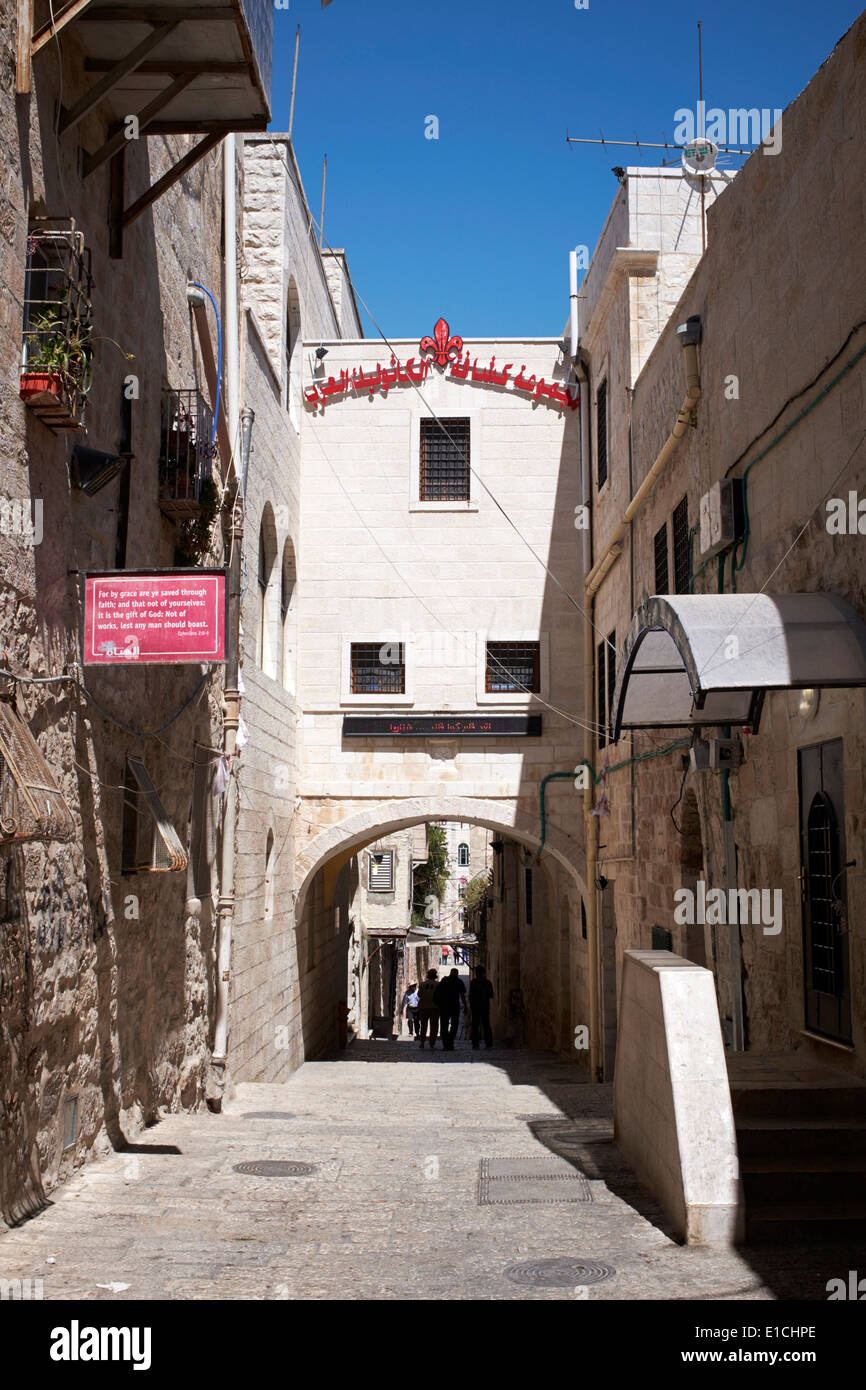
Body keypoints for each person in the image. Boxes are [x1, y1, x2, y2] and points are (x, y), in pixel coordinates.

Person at [434, 968, 466, 1051]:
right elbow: (462, 995)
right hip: (454, 1006)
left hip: (444, 1006)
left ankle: (446, 1044)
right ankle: (450, 1042)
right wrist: (465, 1006)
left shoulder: (444, 981)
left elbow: (437, 992)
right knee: (454, 1025)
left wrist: (437, 1004)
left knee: (444, 1025)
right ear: (457, 974)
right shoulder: (459, 982)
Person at [469, 965, 494, 1049]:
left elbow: (471, 995)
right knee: (485, 1025)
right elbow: (491, 994)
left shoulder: (474, 982)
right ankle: (488, 1043)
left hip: (476, 1007)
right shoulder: (487, 983)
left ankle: (475, 1043)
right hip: (484, 1006)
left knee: (476, 1025)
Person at [416, 969, 440, 1048]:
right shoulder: (438, 985)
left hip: (424, 1007)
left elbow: (419, 995)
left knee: (423, 1026)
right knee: (434, 1026)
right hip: (434, 1008)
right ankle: (432, 1043)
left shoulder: (423, 984)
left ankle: (422, 1042)